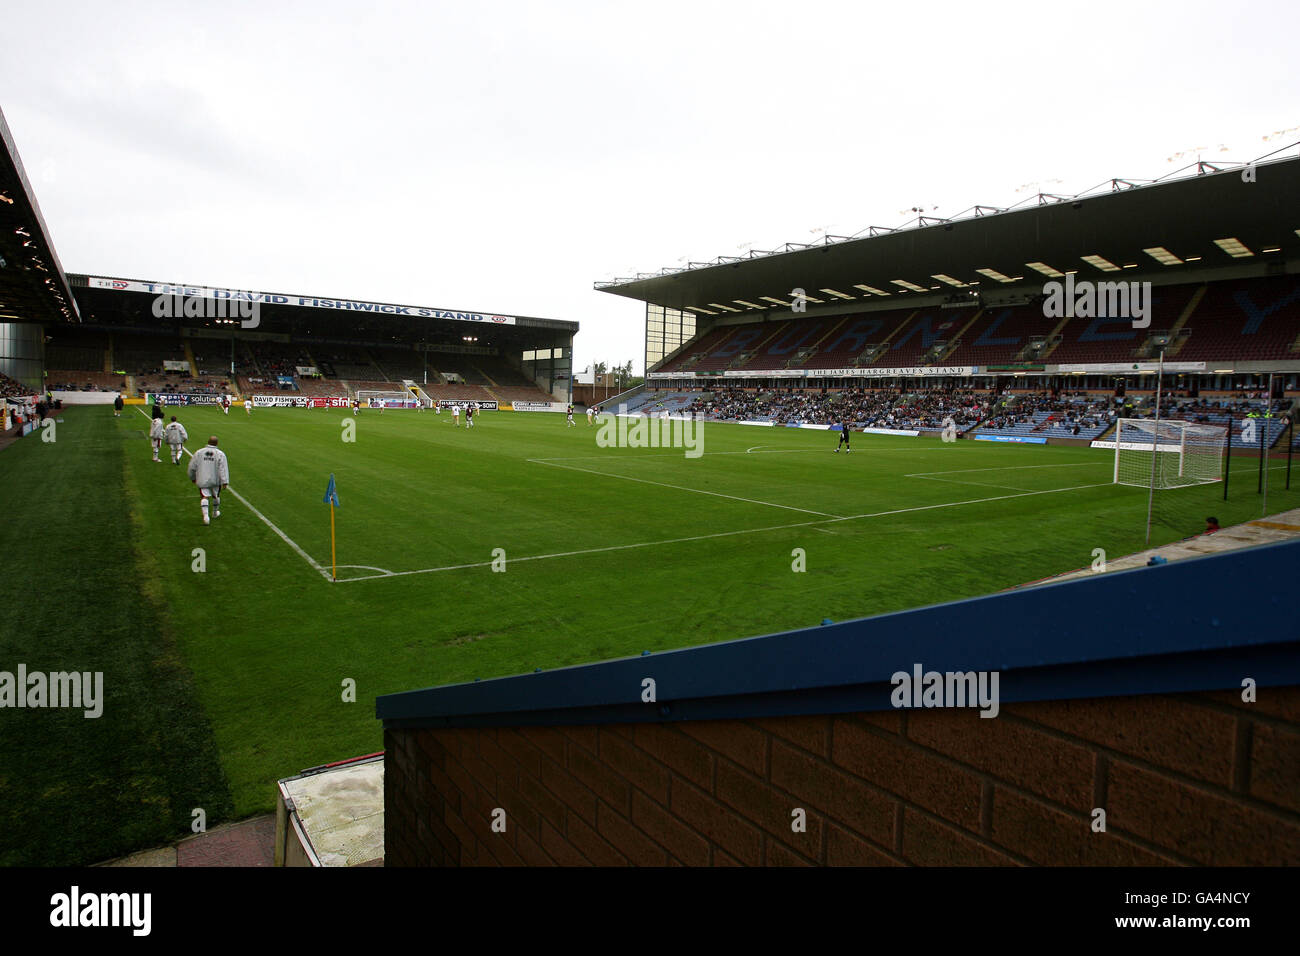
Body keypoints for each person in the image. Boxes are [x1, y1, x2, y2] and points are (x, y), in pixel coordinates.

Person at [187, 436, 229, 526]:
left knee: (204, 497)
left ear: (208, 442)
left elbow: (192, 466)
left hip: (202, 478)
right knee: (216, 496)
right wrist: (225, 481)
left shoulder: (199, 452)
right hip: (215, 480)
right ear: (217, 443)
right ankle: (214, 512)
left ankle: (206, 517)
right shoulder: (220, 454)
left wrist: (192, 477)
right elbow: (223, 469)